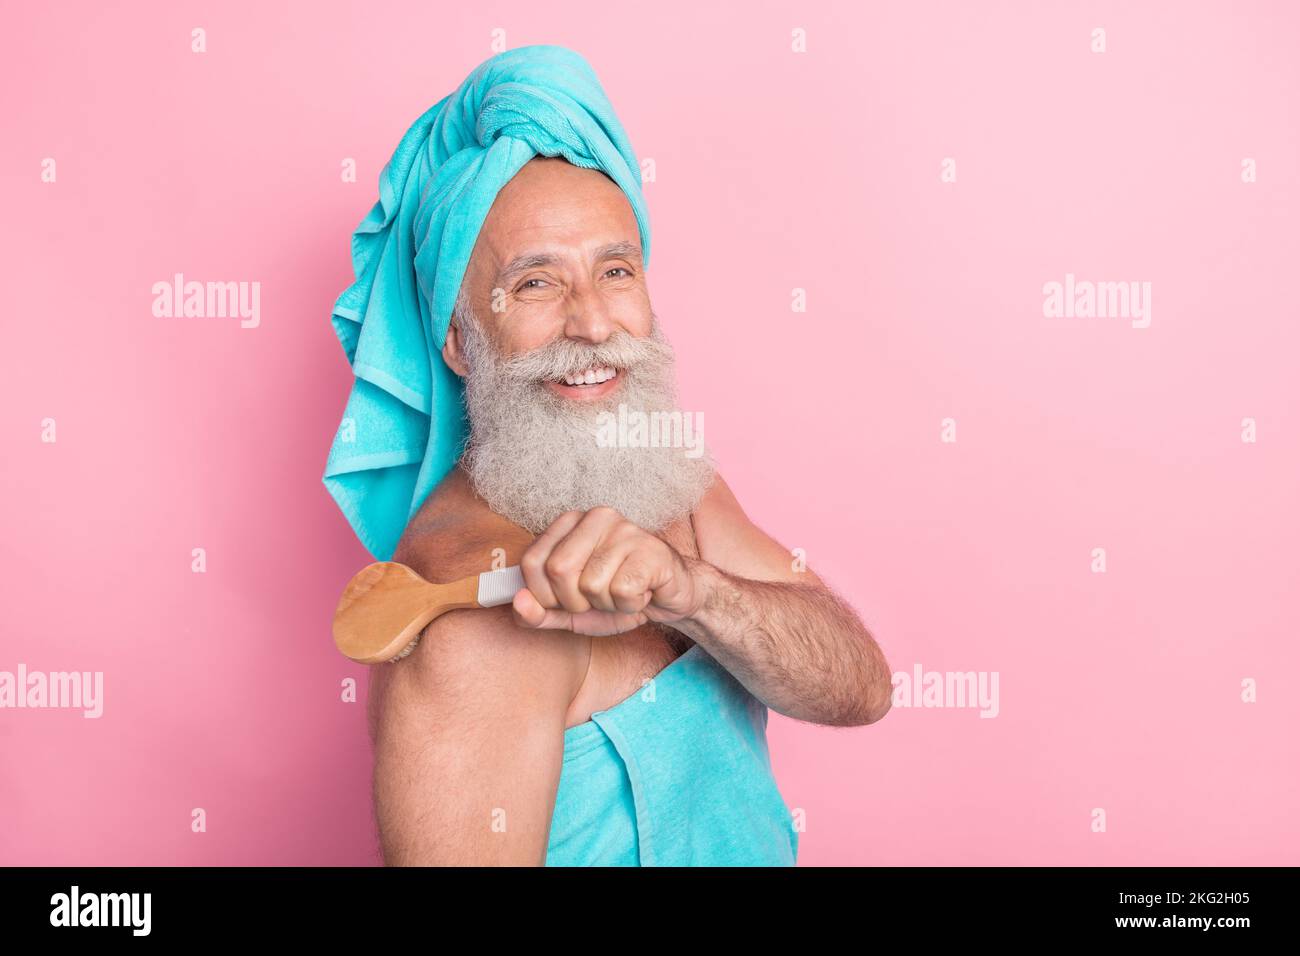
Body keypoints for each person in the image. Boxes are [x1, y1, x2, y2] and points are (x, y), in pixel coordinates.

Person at [324, 46, 892, 866]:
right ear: (457, 339)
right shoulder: (471, 630)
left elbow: (859, 688)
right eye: (534, 284)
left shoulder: (669, 484)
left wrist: (693, 592)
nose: (594, 325)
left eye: (615, 271)